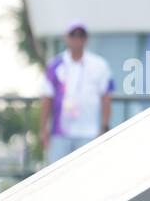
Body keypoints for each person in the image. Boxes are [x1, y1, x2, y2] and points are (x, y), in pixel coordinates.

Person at [41, 23, 114, 162]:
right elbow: (47, 98)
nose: (77, 39)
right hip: (60, 133)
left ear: (86, 39)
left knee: (86, 176)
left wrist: (104, 127)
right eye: (73, 35)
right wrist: (43, 129)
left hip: (89, 132)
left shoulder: (99, 64)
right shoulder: (55, 64)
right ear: (66, 38)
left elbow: (106, 97)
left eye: (81, 35)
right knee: (56, 175)